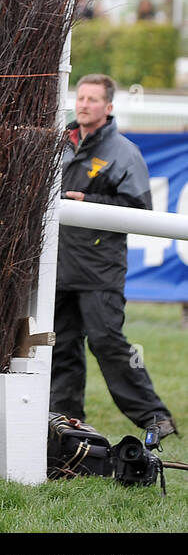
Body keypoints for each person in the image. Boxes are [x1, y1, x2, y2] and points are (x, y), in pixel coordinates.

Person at [51, 73, 177, 446]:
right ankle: (67, 424)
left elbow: (141, 209)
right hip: (57, 266)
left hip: (99, 268)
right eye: (82, 97)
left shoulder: (124, 152)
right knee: (61, 346)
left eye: (93, 99)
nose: (84, 104)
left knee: (107, 342)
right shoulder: (60, 145)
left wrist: (89, 205)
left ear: (109, 107)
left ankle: (154, 416)